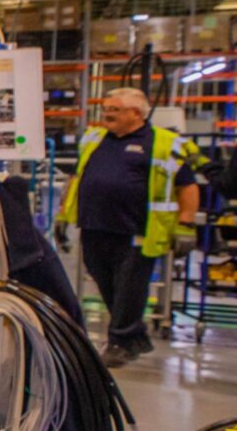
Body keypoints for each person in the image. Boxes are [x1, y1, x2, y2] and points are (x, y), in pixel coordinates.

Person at [60, 87, 203, 367]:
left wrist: (186, 223)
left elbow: (187, 185)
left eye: (114, 109)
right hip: (95, 226)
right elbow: (77, 177)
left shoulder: (164, 143)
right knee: (107, 284)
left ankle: (121, 341)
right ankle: (136, 336)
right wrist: (63, 216)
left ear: (136, 113)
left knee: (129, 288)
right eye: (106, 109)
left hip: (137, 230)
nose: (107, 114)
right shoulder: (94, 139)